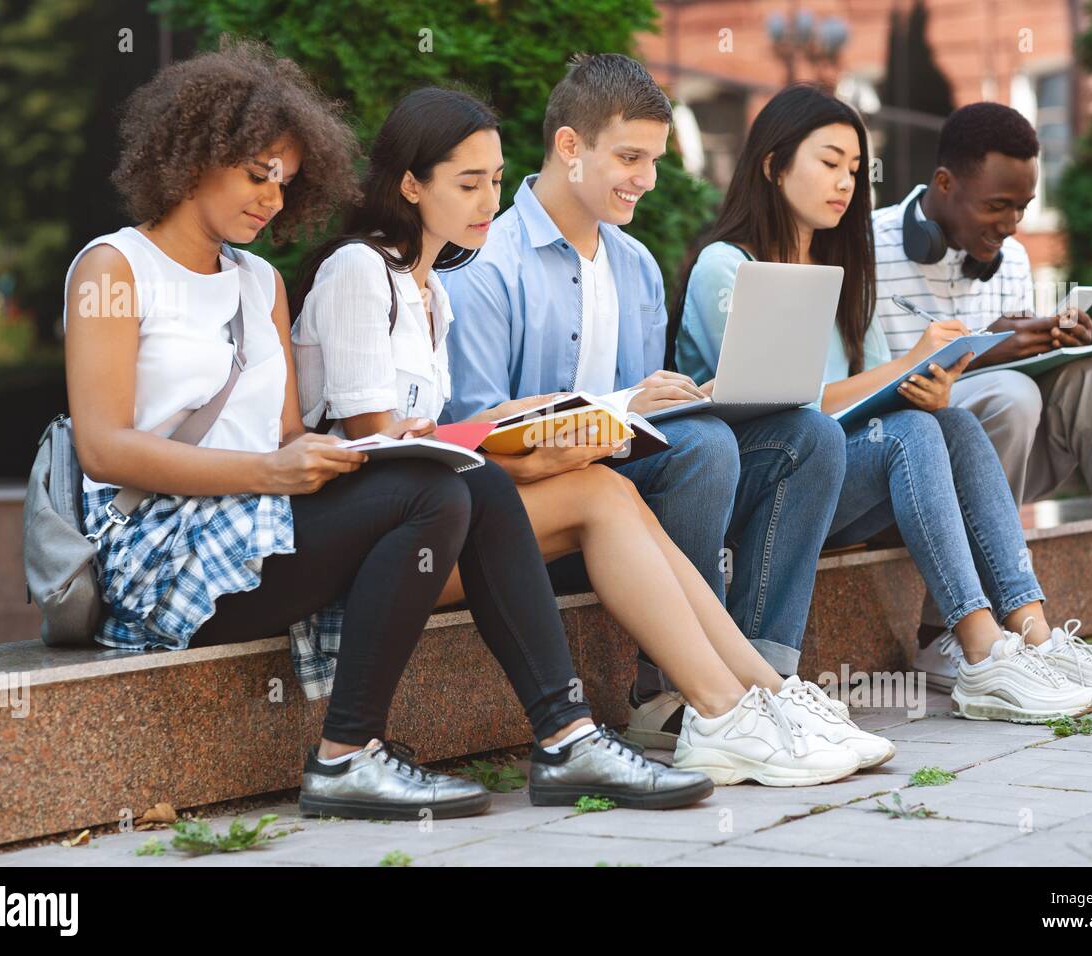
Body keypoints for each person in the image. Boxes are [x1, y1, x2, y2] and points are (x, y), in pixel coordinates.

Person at [64, 41, 711, 821]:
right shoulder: (114, 268)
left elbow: (287, 437)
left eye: (286, 179)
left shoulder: (259, 281)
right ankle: (346, 757)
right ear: (192, 156)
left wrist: (371, 448)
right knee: (436, 493)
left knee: (457, 478)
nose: (272, 197)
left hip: (260, 527)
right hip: (164, 554)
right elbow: (103, 449)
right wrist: (274, 471)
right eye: (255, 173)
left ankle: (567, 736)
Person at [292, 85, 894, 786]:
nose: (489, 200)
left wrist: (586, 414)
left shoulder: (436, 294)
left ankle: (759, 694)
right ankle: (717, 708)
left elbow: (438, 434)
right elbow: (387, 454)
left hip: (450, 514)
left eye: (492, 180)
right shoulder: (362, 271)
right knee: (609, 486)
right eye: (468, 183)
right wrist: (548, 432)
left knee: (632, 480)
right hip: (385, 535)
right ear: (409, 184)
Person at [672, 85, 1092, 722]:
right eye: (828, 162)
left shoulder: (844, 263)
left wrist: (924, 381)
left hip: (833, 476)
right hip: (754, 486)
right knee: (912, 435)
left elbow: (870, 386)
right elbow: (788, 401)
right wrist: (904, 364)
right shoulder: (725, 267)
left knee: (943, 421)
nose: (846, 182)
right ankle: (979, 651)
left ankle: (1031, 635)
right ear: (772, 164)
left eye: (853, 168)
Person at [441, 54, 848, 747]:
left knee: (810, 437)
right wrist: (633, 402)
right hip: (539, 511)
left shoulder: (637, 266)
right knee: (705, 447)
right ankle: (671, 694)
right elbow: (481, 435)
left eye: (655, 160)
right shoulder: (486, 261)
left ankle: (774, 677)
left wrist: (689, 396)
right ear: (569, 147)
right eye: (630, 157)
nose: (648, 180)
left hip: (628, 489)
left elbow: (642, 424)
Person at [871, 102, 1092, 689]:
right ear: (944, 184)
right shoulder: (868, 246)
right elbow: (864, 393)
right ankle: (946, 632)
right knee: (1010, 394)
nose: (1011, 224)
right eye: (996, 205)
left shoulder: (1011, 260)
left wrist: (1049, 345)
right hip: (906, 469)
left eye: (1023, 207)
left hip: (1003, 461)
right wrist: (990, 352)